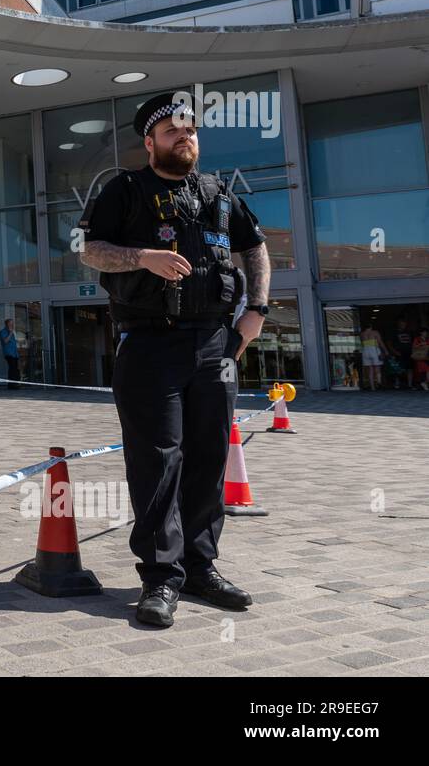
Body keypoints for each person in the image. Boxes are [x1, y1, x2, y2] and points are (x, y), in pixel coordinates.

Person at [79, 91, 271, 628]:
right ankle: (161, 577)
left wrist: (255, 311)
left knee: (209, 458)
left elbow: (254, 248)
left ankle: (201, 567)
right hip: (148, 344)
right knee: (157, 461)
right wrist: (144, 257)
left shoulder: (219, 193)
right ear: (150, 142)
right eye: (172, 131)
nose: (184, 137)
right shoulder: (124, 189)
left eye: (189, 130)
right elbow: (90, 249)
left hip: (214, 344)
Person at [360, 325, 388, 391]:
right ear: (371, 326)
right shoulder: (375, 332)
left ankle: (372, 387)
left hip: (365, 351)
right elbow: (380, 342)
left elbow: (362, 343)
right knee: (377, 367)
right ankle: (379, 383)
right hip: (374, 350)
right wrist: (385, 350)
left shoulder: (362, 334)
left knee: (370, 370)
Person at [389, 318, 414, 390]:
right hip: (399, 353)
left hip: (409, 353)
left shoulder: (409, 332)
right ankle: (397, 383)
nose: (403, 325)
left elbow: (413, 342)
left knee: (410, 368)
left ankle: (410, 384)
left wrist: (414, 352)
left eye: (404, 324)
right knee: (398, 369)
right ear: (398, 324)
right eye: (401, 324)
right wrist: (394, 352)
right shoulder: (394, 332)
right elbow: (389, 343)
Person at [0, 318, 21, 386]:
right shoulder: (3, 331)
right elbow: (5, 341)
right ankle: (12, 384)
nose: (12, 325)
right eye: (11, 323)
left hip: (14, 353)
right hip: (9, 353)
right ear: (7, 324)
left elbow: (13, 343)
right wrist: (11, 333)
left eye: (13, 323)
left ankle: (15, 383)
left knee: (15, 368)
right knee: (12, 368)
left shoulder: (12, 332)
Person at [412, 328, 429, 392]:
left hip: (426, 357)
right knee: (422, 371)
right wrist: (421, 344)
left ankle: (424, 383)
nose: (425, 333)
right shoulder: (417, 339)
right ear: (421, 333)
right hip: (420, 357)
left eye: (426, 332)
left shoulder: (427, 339)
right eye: (424, 332)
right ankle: (423, 383)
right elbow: (414, 347)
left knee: (426, 370)